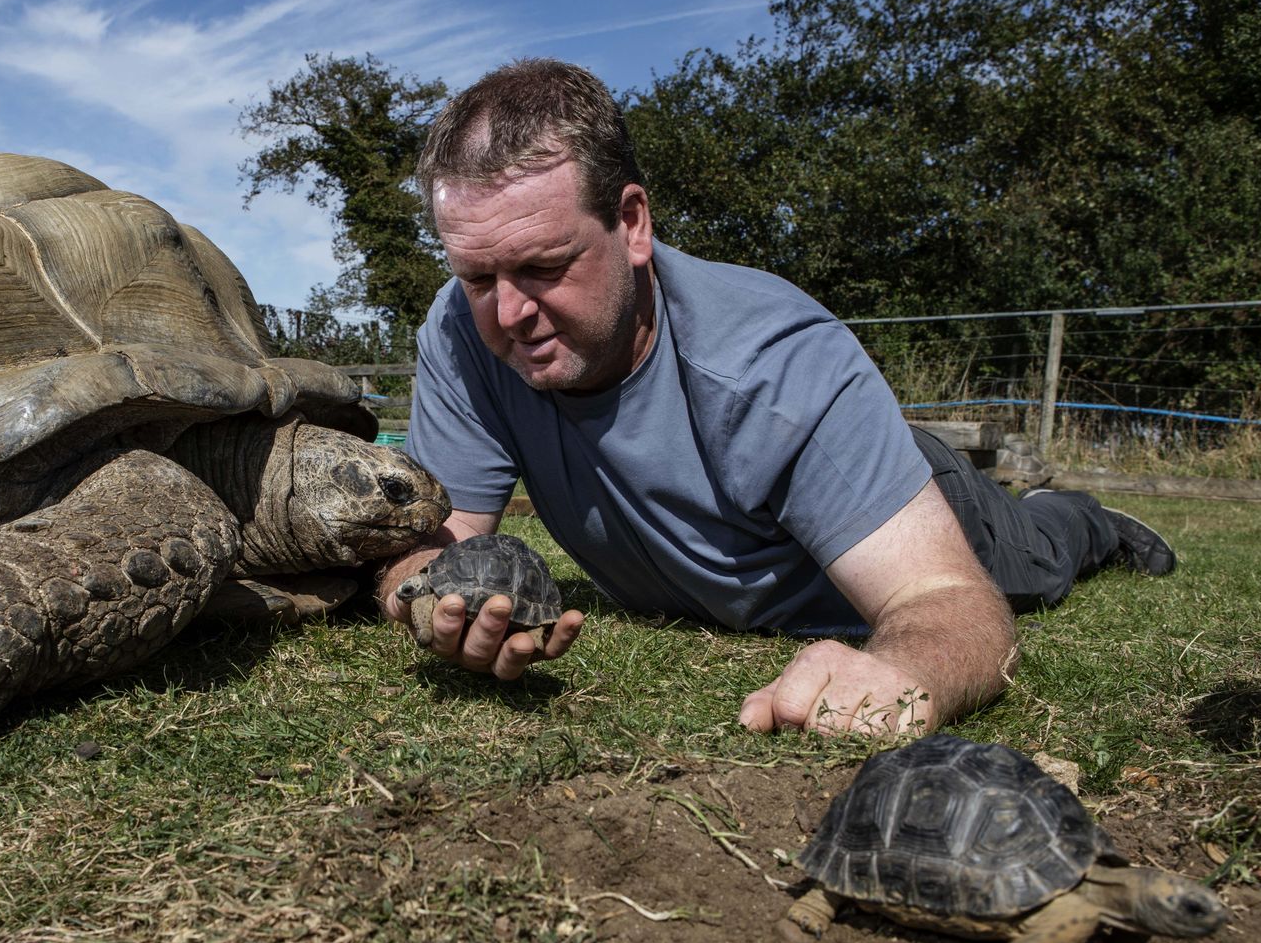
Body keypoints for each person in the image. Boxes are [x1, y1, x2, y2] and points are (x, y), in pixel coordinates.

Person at [377, 58, 1177, 737]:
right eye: (478, 275)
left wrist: (898, 667)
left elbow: (946, 600)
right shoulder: (461, 330)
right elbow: (426, 544)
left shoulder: (772, 361)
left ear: (631, 223)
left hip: (928, 509)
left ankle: (1087, 519)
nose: (508, 311)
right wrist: (432, 602)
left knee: (1033, 555)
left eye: (545, 266)